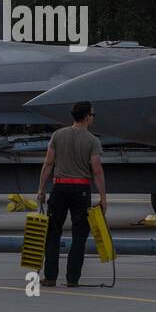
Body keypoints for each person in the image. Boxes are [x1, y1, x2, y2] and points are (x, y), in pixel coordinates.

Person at [35, 101, 106, 287]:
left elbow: (48, 163)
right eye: (93, 115)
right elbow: (97, 170)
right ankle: (72, 279)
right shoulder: (92, 140)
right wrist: (103, 198)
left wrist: (41, 189)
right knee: (79, 235)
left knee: (52, 233)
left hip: (59, 188)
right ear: (86, 117)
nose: (93, 118)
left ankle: (50, 277)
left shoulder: (58, 135)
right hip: (81, 190)